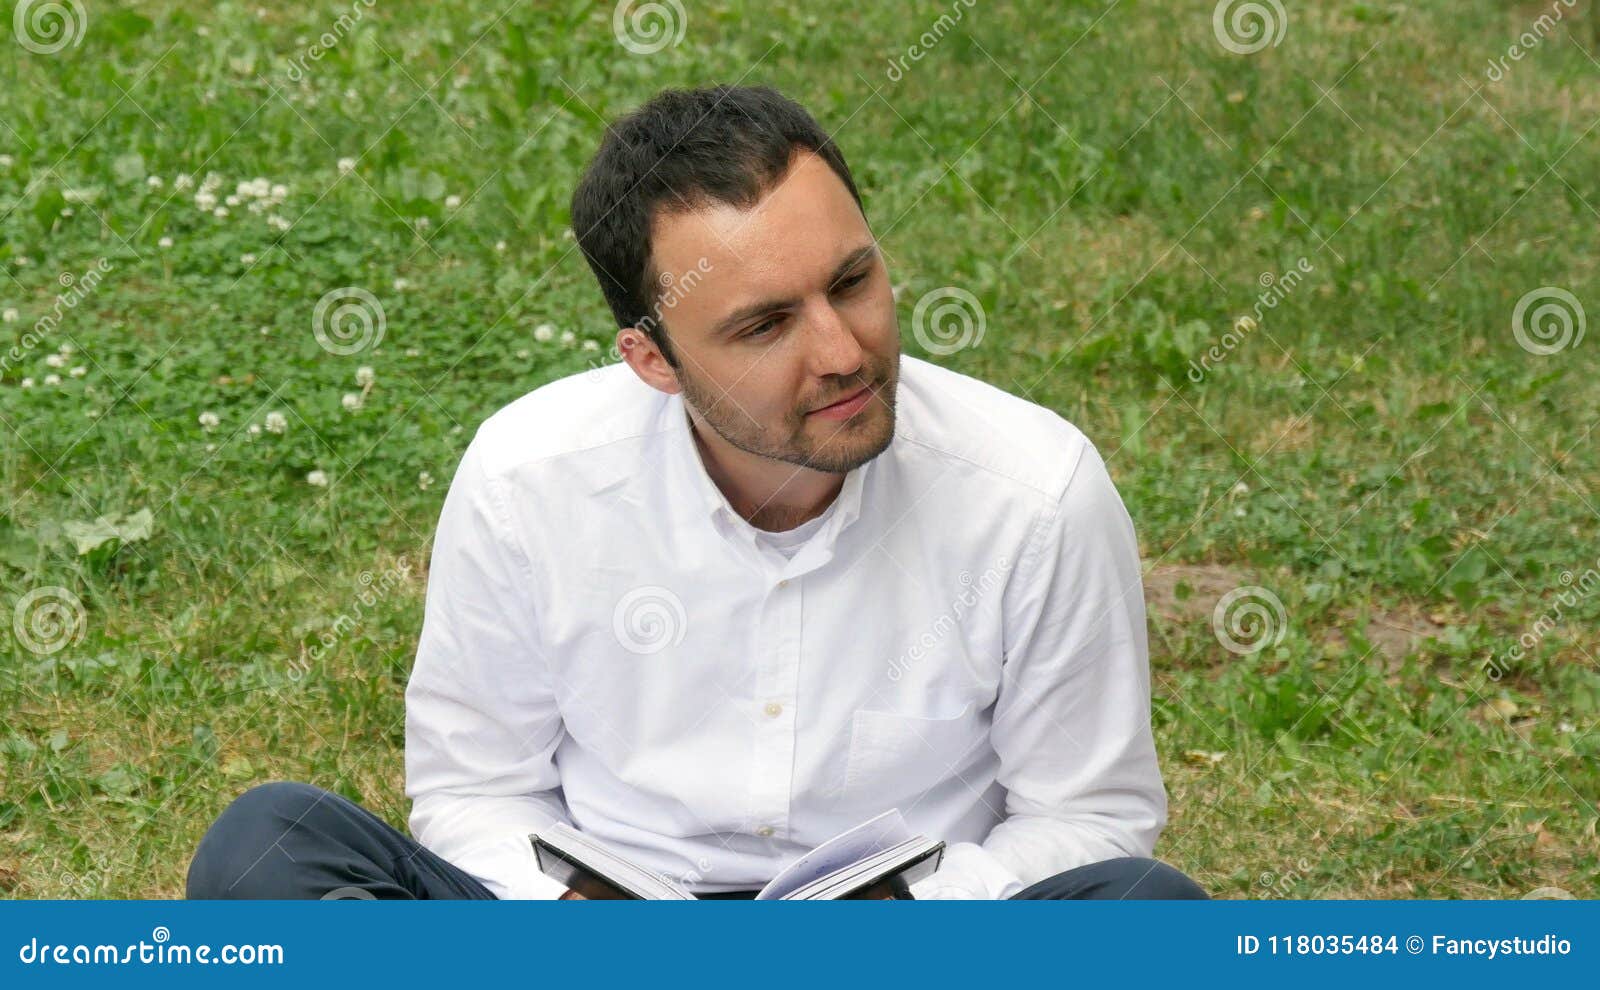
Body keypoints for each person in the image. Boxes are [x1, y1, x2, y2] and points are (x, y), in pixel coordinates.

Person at [186, 84, 1208, 902]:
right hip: (598, 932)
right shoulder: (526, 476)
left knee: (1146, 915)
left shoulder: (1033, 492)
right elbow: (476, 789)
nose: (842, 352)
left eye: (852, 282)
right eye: (765, 326)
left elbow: (1090, 818)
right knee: (265, 849)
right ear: (652, 359)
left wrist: (923, 915)